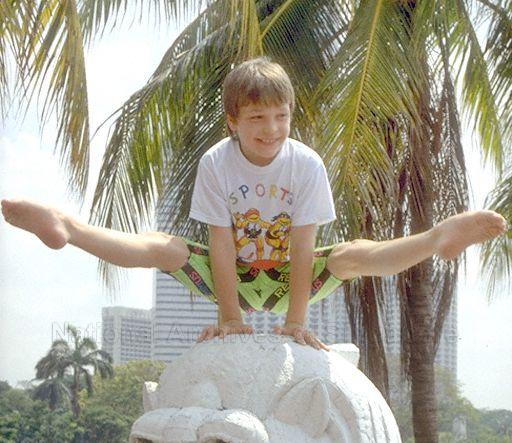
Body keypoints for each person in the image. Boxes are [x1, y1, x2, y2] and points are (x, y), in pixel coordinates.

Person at [1, 58, 507, 350]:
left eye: (280, 116)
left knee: (353, 255)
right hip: (235, 275)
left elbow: (305, 246)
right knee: (164, 247)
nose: (271, 130)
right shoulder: (217, 164)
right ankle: (68, 225)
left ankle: (436, 236)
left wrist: (296, 321)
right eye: (257, 118)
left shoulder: (305, 164)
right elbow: (220, 244)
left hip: (292, 272)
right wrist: (230, 318)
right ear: (233, 122)